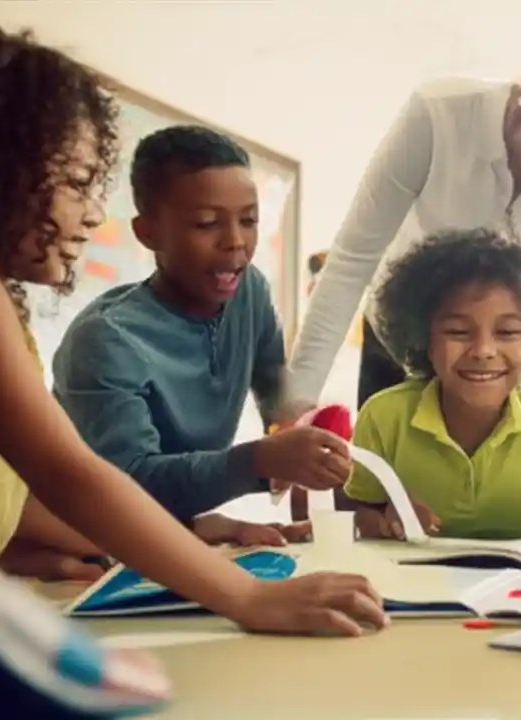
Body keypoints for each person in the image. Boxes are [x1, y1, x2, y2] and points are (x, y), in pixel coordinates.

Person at [0, 27, 385, 636]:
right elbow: (72, 474)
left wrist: (193, 529)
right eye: (76, 183)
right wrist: (249, 598)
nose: (92, 213)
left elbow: (6, 481)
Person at [286, 0, 521, 474]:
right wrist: (293, 413)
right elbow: (351, 262)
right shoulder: (438, 115)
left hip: (508, 369)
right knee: (387, 513)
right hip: (401, 348)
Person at [53, 125, 336, 546]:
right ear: (148, 232)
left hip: (166, 530)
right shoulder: (106, 340)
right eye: (206, 224)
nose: (236, 242)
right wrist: (257, 461)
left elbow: (273, 382)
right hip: (77, 535)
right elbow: (126, 484)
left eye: (249, 220)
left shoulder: (250, 292)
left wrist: (295, 435)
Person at [347, 228, 521, 540]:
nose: (483, 351)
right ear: (424, 340)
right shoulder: (384, 416)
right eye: (457, 331)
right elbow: (356, 515)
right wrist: (385, 519)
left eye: (507, 332)